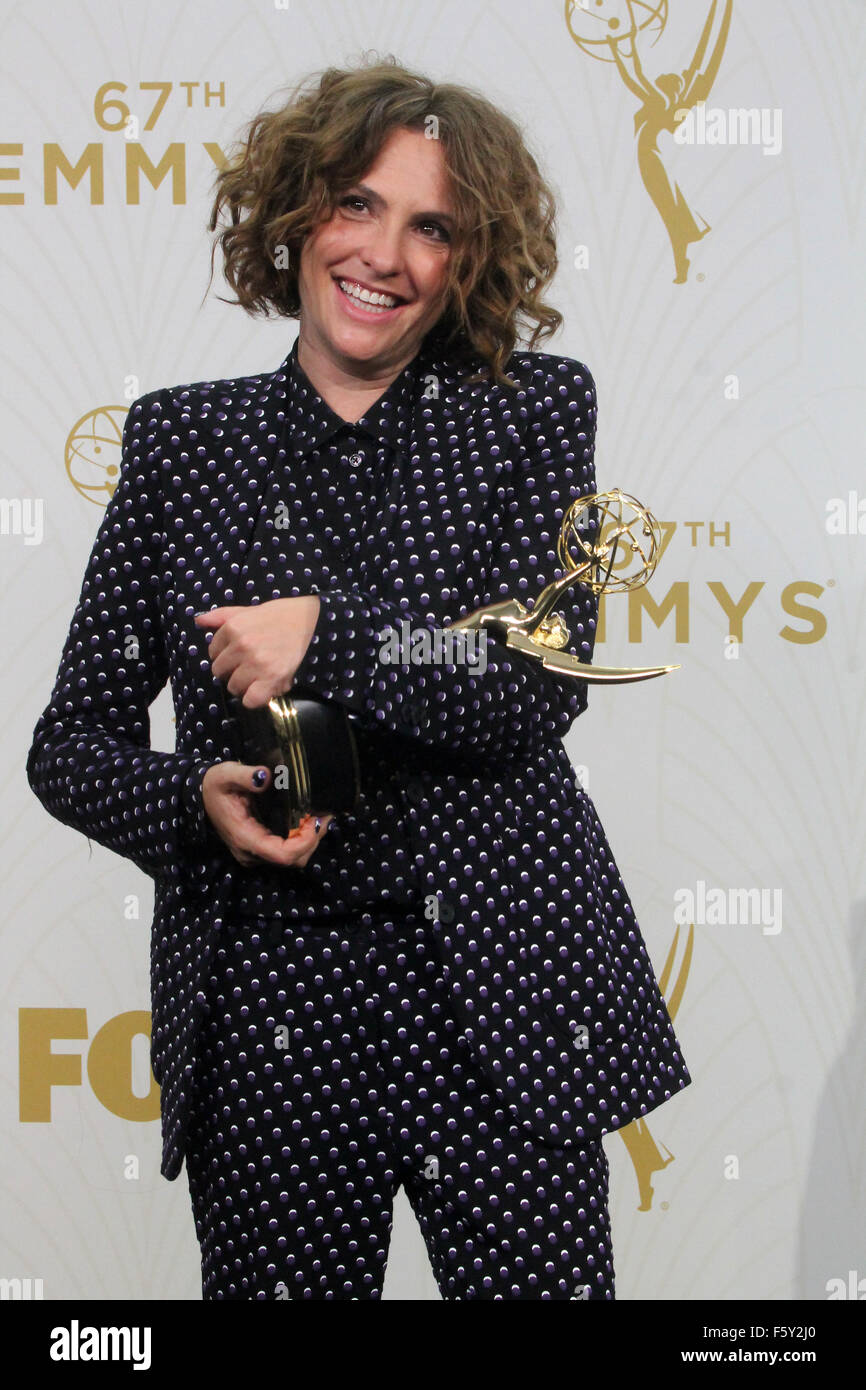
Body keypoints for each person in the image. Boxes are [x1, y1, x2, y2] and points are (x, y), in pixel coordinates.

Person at [26, 54, 691, 1300]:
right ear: (295, 219)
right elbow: (69, 744)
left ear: (466, 263)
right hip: (272, 1003)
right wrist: (192, 805)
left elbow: (525, 684)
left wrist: (326, 632)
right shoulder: (182, 440)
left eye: (431, 226)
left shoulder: (526, 412)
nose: (384, 254)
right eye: (356, 205)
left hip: (495, 998)